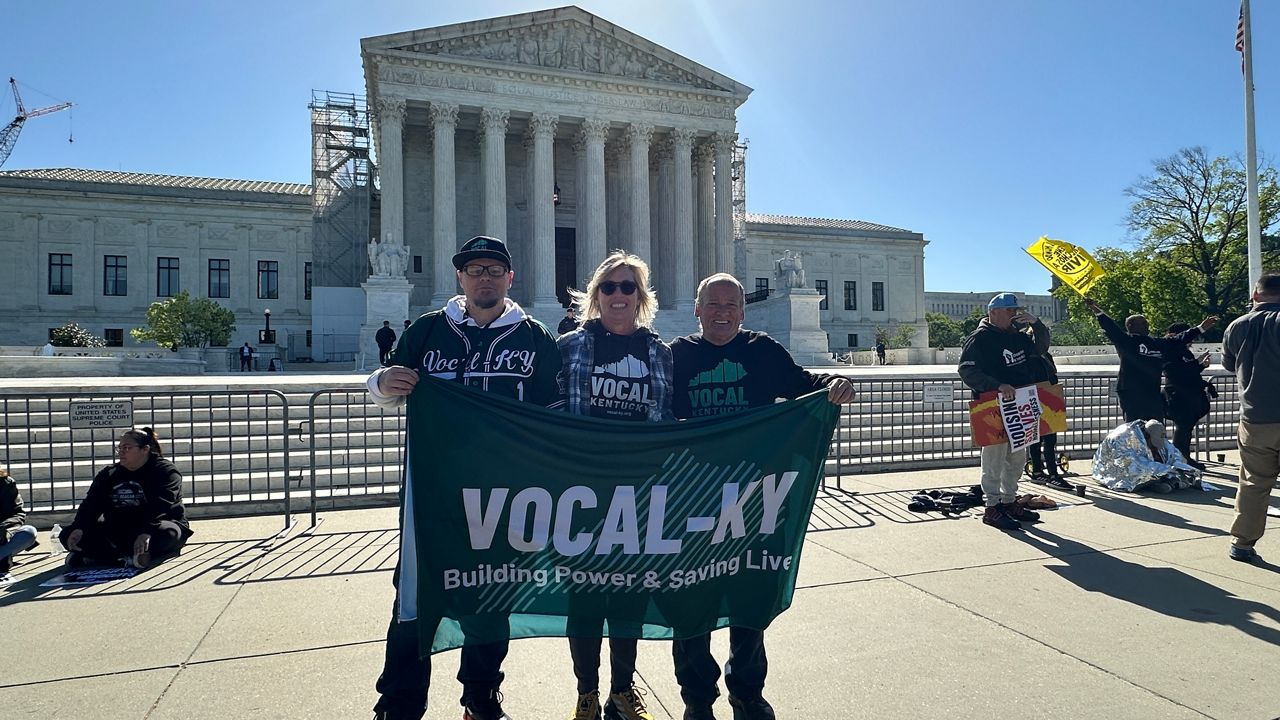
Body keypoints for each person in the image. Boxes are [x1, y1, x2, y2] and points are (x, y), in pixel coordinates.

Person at [366, 235, 565, 720]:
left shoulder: (534, 336)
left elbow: (553, 415)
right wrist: (381, 384)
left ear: (510, 279)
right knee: (414, 598)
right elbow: (387, 381)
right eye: (475, 270)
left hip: (504, 495)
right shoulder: (429, 331)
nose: (485, 278)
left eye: (495, 270)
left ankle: (480, 695)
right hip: (433, 494)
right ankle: (399, 702)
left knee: (492, 593)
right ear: (461, 277)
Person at [668, 272, 856, 720]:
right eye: (713, 304)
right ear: (697, 310)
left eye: (731, 305)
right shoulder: (675, 357)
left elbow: (804, 383)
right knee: (690, 600)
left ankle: (747, 692)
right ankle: (697, 699)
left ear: (743, 311)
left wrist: (835, 384)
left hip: (753, 498)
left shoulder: (762, 351)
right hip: (691, 499)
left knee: (748, 597)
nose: (723, 313)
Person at [559, 251, 671, 720]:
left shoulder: (659, 352)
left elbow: (666, 421)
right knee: (583, 596)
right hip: (581, 493)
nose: (618, 295)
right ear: (595, 295)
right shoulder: (568, 347)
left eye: (629, 288)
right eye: (610, 287)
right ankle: (587, 692)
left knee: (629, 594)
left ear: (641, 298)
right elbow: (546, 409)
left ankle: (622, 691)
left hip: (637, 495)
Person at [957, 293, 1051, 531]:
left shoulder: (1017, 337)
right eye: (1010, 311)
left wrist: (1036, 324)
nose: (1014, 316)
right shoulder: (980, 338)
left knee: (1017, 456)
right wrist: (996, 385)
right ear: (994, 312)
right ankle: (992, 506)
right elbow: (967, 370)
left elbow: (1040, 349)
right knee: (994, 457)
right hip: (993, 405)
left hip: (1020, 403)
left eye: (1016, 312)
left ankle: (1010, 501)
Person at [61, 427, 193, 569]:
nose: (121, 452)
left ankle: (97, 556)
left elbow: (161, 504)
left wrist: (146, 531)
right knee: (67, 534)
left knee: (169, 534)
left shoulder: (165, 471)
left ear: (145, 449)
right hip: (119, 527)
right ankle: (125, 556)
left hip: (156, 524)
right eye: (119, 448)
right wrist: (80, 527)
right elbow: (91, 503)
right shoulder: (110, 473)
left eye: (127, 447)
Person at [1221, 272, 1280, 563]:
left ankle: (1242, 542)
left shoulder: (1237, 326)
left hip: (1255, 417)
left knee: (1254, 483)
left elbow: (1230, 365)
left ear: (1256, 295)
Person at [1083, 299, 1216, 422]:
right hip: (1131, 392)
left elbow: (1179, 339)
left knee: (1155, 425)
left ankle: (1155, 448)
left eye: (1147, 322)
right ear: (1130, 325)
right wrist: (1096, 310)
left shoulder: (1156, 343)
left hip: (1151, 391)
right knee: (1135, 426)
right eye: (1143, 323)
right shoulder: (1126, 341)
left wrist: (1200, 328)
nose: (1147, 325)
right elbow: (1110, 326)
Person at [1018, 312, 1071, 491]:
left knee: (1048, 438)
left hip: (1047, 397)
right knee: (1038, 437)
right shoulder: (1031, 358)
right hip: (1035, 396)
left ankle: (1047, 471)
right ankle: (1043, 472)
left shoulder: (1045, 357)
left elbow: (1053, 374)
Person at [1161, 322, 1216, 471]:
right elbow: (1173, 371)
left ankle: (1184, 457)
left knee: (1186, 428)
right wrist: (1196, 363)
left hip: (1190, 394)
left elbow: (1189, 370)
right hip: (1178, 395)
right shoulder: (1170, 350)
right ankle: (1180, 458)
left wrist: (1201, 365)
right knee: (1183, 428)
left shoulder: (1185, 351)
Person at [1, 467, 38, 575]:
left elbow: (17, 514)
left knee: (28, 532)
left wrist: (5, 530)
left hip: (1, 538)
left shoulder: (5, 482)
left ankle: (3, 556)